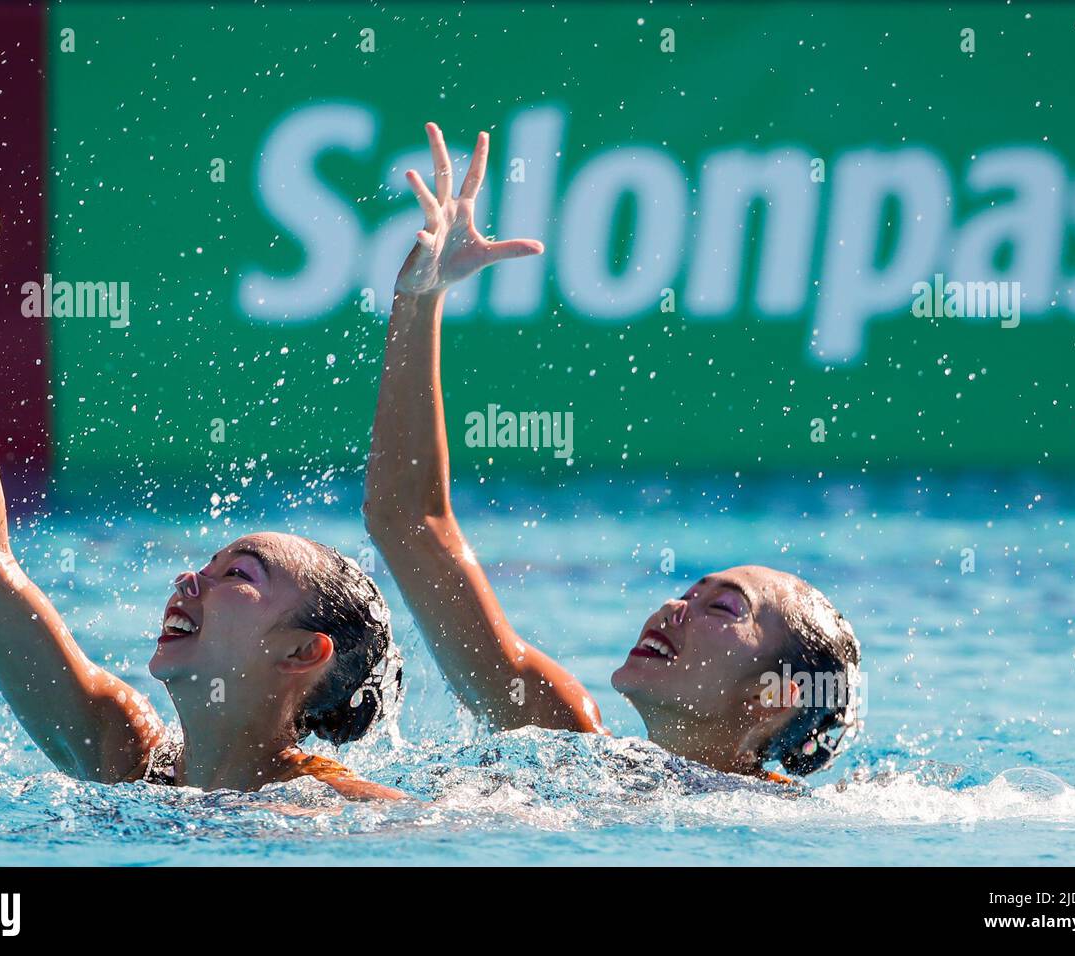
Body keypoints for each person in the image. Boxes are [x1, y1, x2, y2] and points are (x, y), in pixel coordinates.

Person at [0, 137, 404, 800]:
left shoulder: (346, 814)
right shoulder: (122, 751)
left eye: (239, 575)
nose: (189, 576)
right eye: (216, 564)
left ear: (302, 653)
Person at [364, 123, 860, 783]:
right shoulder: (566, 742)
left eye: (723, 608)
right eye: (690, 591)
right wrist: (420, 301)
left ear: (775, 698)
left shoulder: (810, 828)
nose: (674, 607)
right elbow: (407, 521)